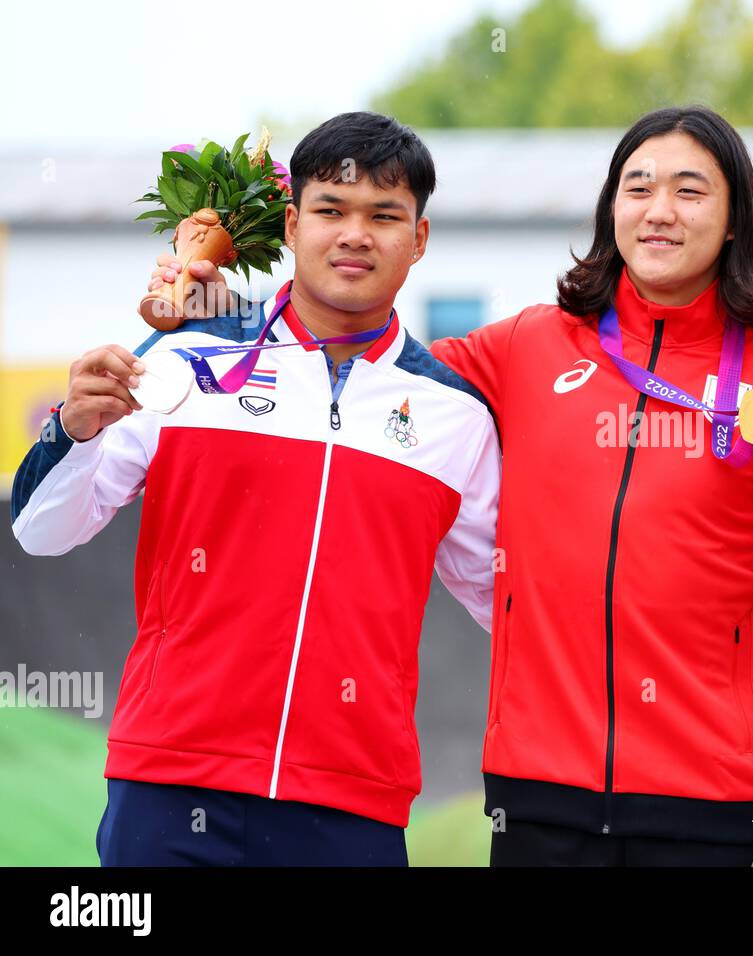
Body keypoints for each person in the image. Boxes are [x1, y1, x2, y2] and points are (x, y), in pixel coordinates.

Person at [10, 111, 500, 866]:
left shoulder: (456, 416)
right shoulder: (187, 358)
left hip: (352, 800)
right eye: (331, 211)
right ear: (294, 221)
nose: (355, 234)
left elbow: (504, 601)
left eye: (384, 215)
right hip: (170, 785)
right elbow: (41, 530)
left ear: (420, 238)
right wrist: (72, 429)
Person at [430, 106, 753, 866]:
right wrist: (213, 317)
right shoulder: (526, 344)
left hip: (716, 798)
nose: (659, 211)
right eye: (638, 187)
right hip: (537, 789)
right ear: (611, 208)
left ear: (733, 222)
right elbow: (378, 370)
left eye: (690, 191)